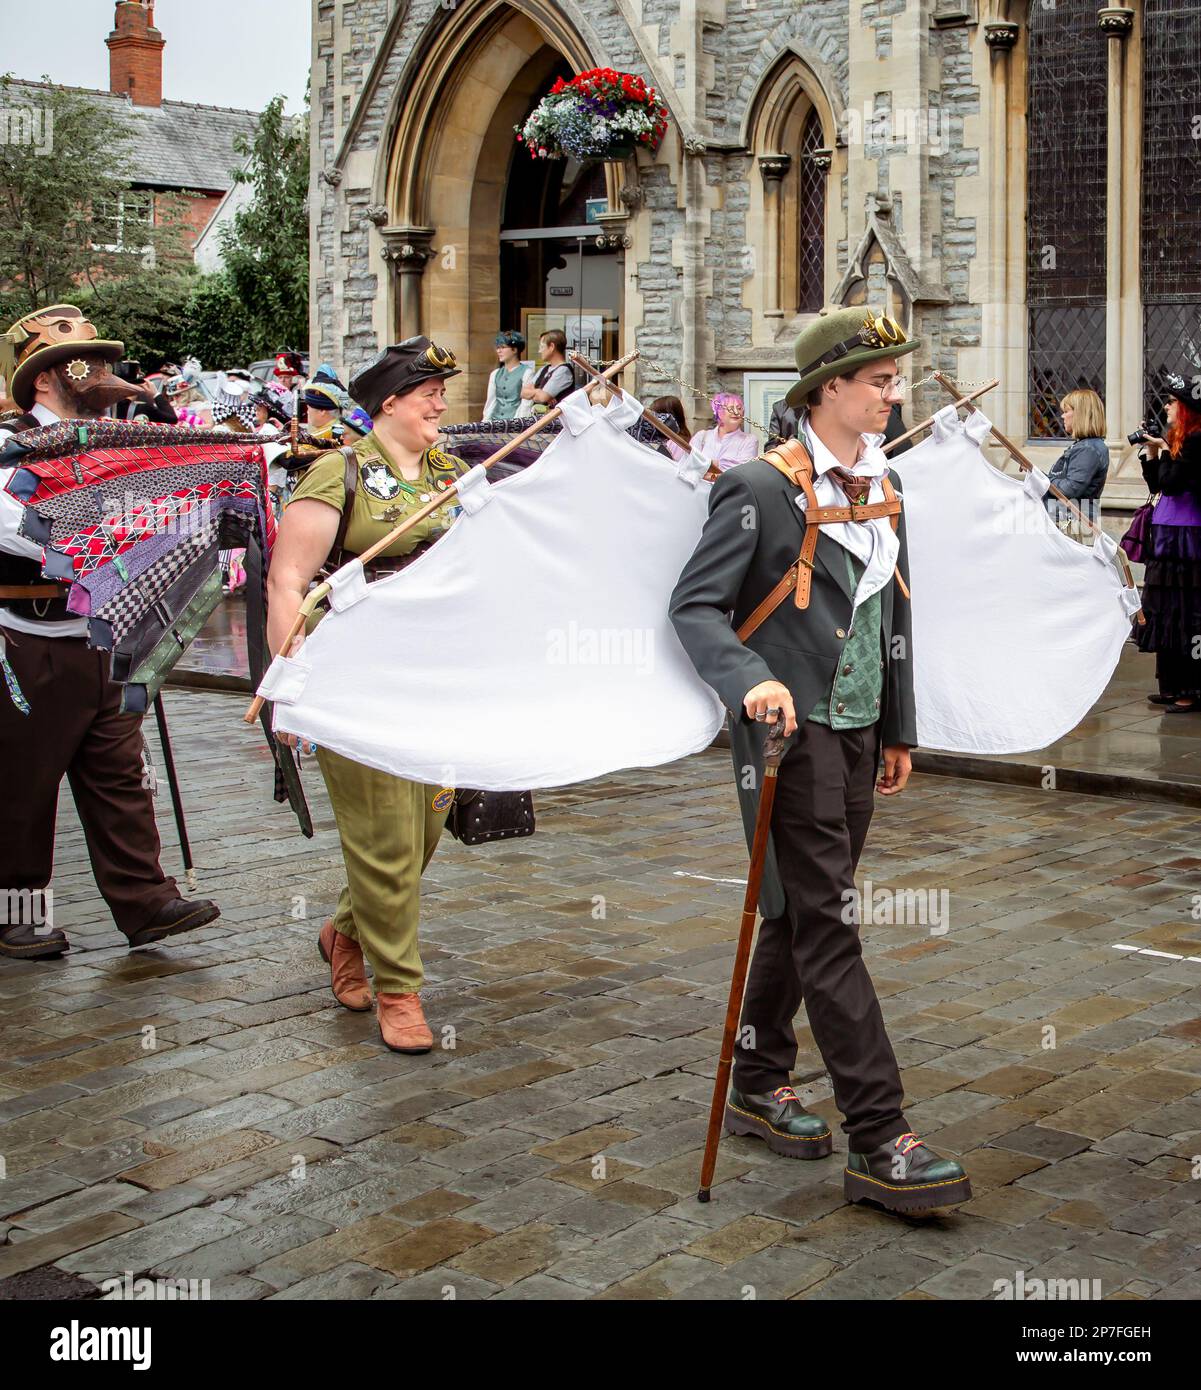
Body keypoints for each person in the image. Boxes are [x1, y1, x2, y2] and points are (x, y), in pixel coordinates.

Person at [670, 306, 972, 1216]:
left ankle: (758, 1076)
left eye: (892, 380)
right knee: (833, 917)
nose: (892, 393)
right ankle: (881, 1137)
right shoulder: (759, 489)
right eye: (878, 380)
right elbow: (694, 608)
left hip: (857, 732)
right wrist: (749, 680)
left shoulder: (887, 486)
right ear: (827, 389)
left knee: (803, 910)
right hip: (788, 738)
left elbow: (895, 618)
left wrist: (898, 727)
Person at [266, 336, 469, 1053]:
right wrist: (288, 685)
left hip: (436, 675)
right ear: (389, 402)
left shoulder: (452, 472)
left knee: (423, 831)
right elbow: (288, 580)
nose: (442, 405)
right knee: (384, 837)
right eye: (428, 394)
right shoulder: (335, 473)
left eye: (442, 393)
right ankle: (399, 990)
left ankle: (344, 933)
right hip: (353, 674)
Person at [0, 304, 219, 959]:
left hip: (104, 635)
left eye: (99, 357)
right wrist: (96, 541)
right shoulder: (11, 444)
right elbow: (14, 526)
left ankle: (146, 903)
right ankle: (14, 914)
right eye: (79, 360)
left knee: (122, 775)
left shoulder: (115, 439)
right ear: (41, 378)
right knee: (23, 785)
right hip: (29, 637)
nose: (97, 368)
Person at [1134, 370, 1201, 713]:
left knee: (1187, 613)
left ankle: (1191, 689)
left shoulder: (1196, 440)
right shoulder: (1177, 439)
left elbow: (1173, 484)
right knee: (1164, 609)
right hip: (1167, 534)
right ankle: (1171, 686)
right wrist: (1152, 452)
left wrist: (1165, 452)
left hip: (1187, 539)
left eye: (1173, 401)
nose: (1167, 406)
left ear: (1187, 407)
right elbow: (1157, 486)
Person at [1045, 388, 1109, 527]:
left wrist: (1042, 479)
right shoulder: (1085, 445)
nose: (1062, 416)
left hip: (1072, 524)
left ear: (1081, 415)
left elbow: (1069, 489)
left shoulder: (1089, 449)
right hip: (1068, 521)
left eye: (1066, 411)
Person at [690, 393, 760, 472]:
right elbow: (689, 464)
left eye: (739, 408)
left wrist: (707, 464)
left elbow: (743, 470)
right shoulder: (701, 437)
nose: (736, 412)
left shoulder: (749, 440)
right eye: (731, 409)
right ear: (719, 412)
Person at [484, 331, 533, 422]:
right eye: (498, 348)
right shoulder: (495, 374)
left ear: (514, 350)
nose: (498, 351)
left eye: (503, 347)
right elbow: (491, 401)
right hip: (495, 422)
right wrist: (485, 422)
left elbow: (526, 403)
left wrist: (519, 423)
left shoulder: (527, 372)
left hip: (515, 422)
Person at [521, 330, 574, 414]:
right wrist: (539, 392)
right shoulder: (544, 369)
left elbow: (542, 398)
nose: (539, 351)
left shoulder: (564, 370)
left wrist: (537, 393)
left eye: (542, 347)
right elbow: (523, 392)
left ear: (551, 347)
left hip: (555, 423)